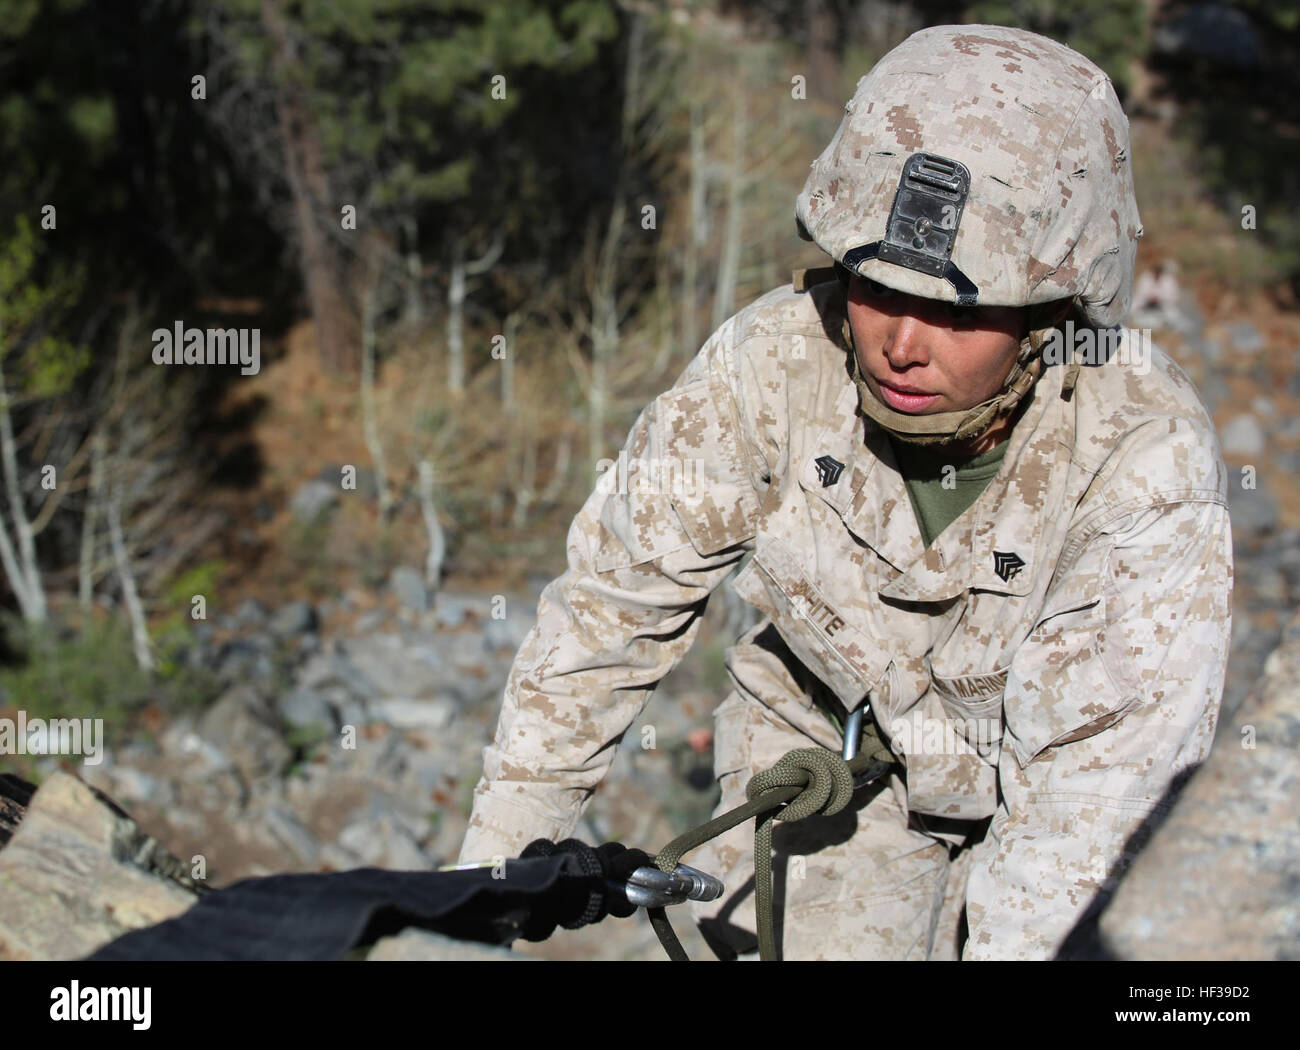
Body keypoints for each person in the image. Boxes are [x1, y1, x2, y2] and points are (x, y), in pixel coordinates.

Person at [456, 24, 1232, 960]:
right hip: (827, 767)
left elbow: (1090, 816)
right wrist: (482, 898)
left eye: (958, 308)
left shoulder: (1140, 456)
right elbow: (605, 618)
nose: (903, 343)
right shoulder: (775, 365)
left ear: (1055, 306)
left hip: (1049, 796)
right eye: (876, 285)